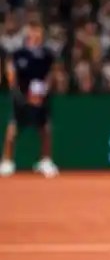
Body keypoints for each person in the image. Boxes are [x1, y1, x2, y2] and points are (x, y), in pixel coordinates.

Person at [2, 20, 59, 177]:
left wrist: (44, 91)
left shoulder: (47, 54)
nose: (36, 35)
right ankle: (7, 161)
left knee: (45, 129)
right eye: (33, 31)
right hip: (21, 96)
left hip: (41, 96)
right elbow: (11, 72)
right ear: (28, 34)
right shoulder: (18, 53)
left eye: (39, 32)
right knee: (13, 129)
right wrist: (19, 92)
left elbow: (51, 73)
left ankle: (45, 161)